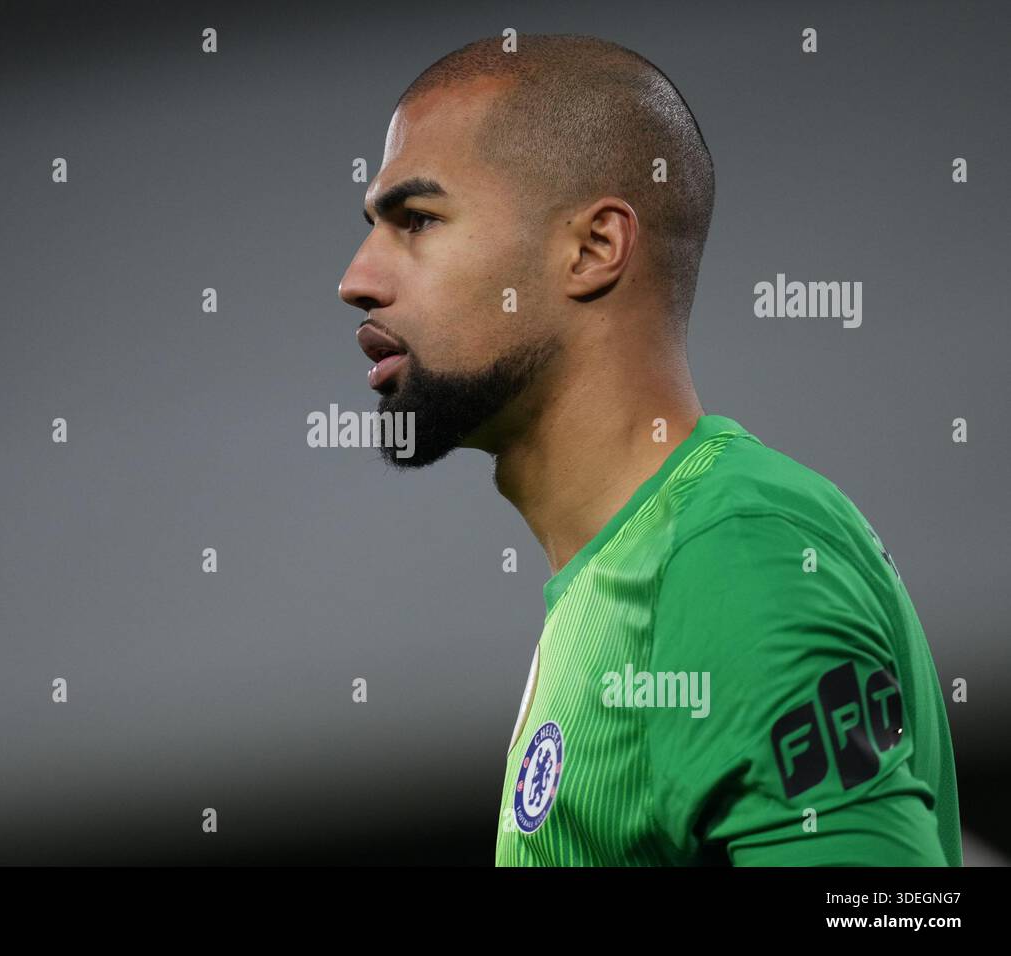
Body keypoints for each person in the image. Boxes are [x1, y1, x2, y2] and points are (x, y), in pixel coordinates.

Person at [337, 34, 960, 865]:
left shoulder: (730, 553)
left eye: (417, 220)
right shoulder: (620, 582)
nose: (357, 278)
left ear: (593, 249)